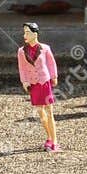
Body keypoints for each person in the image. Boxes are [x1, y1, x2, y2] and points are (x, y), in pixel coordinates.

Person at [16, 22, 60, 152]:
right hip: (33, 83)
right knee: (40, 112)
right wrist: (24, 81)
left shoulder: (45, 48)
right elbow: (22, 68)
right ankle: (49, 136)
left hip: (44, 81)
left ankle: (54, 140)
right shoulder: (21, 51)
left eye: (28, 32)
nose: (25, 35)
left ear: (35, 34)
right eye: (24, 32)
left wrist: (54, 76)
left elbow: (51, 63)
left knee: (49, 111)